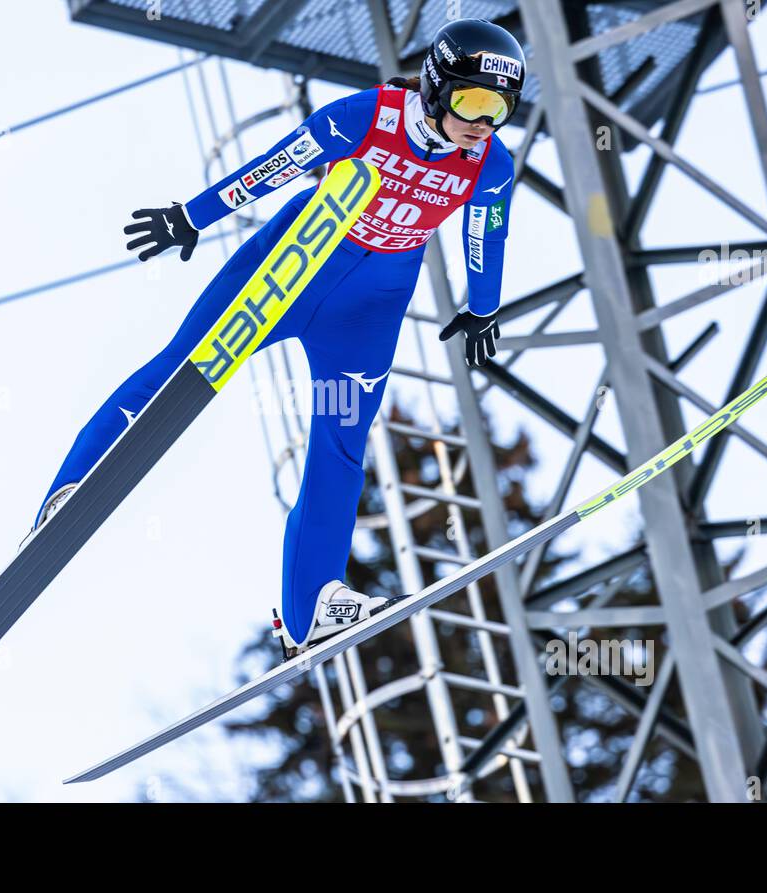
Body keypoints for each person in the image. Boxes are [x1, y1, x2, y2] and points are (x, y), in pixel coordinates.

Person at [34, 18, 525, 659]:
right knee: (183, 368)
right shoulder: (366, 117)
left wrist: (483, 309)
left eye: (499, 109)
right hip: (292, 269)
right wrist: (192, 217)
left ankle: (312, 603)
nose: (482, 122)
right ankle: (73, 487)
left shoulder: (490, 163)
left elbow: (487, 233)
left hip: (369, 313)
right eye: (471, 101)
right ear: (437, 87)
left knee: (342, 445)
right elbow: (275, 168)